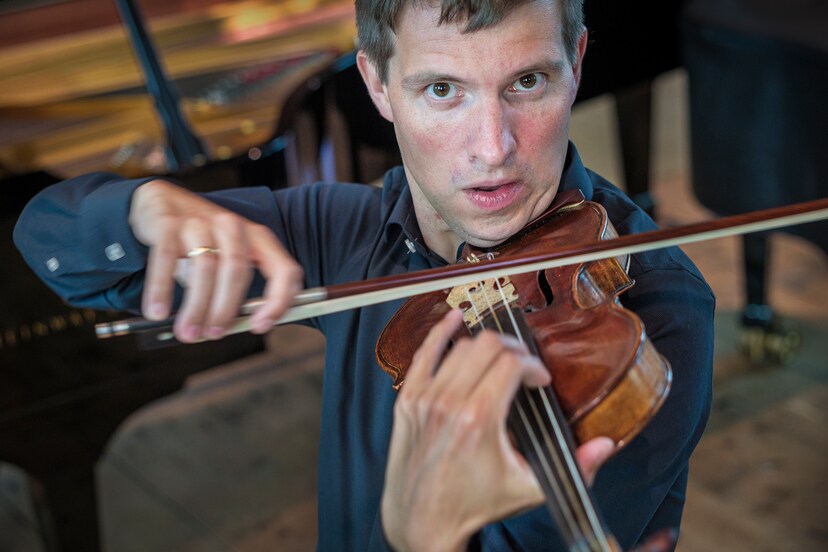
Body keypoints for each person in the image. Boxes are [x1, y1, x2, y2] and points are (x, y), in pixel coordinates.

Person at [13, 0, 714, 550]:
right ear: (378, 86)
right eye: (443, 89)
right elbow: (53, 243)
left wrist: (421, 539)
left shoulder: (649, 317)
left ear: (577, 62)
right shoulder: (342, 230)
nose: (493, 147)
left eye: (527, 82)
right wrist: (142, 207)